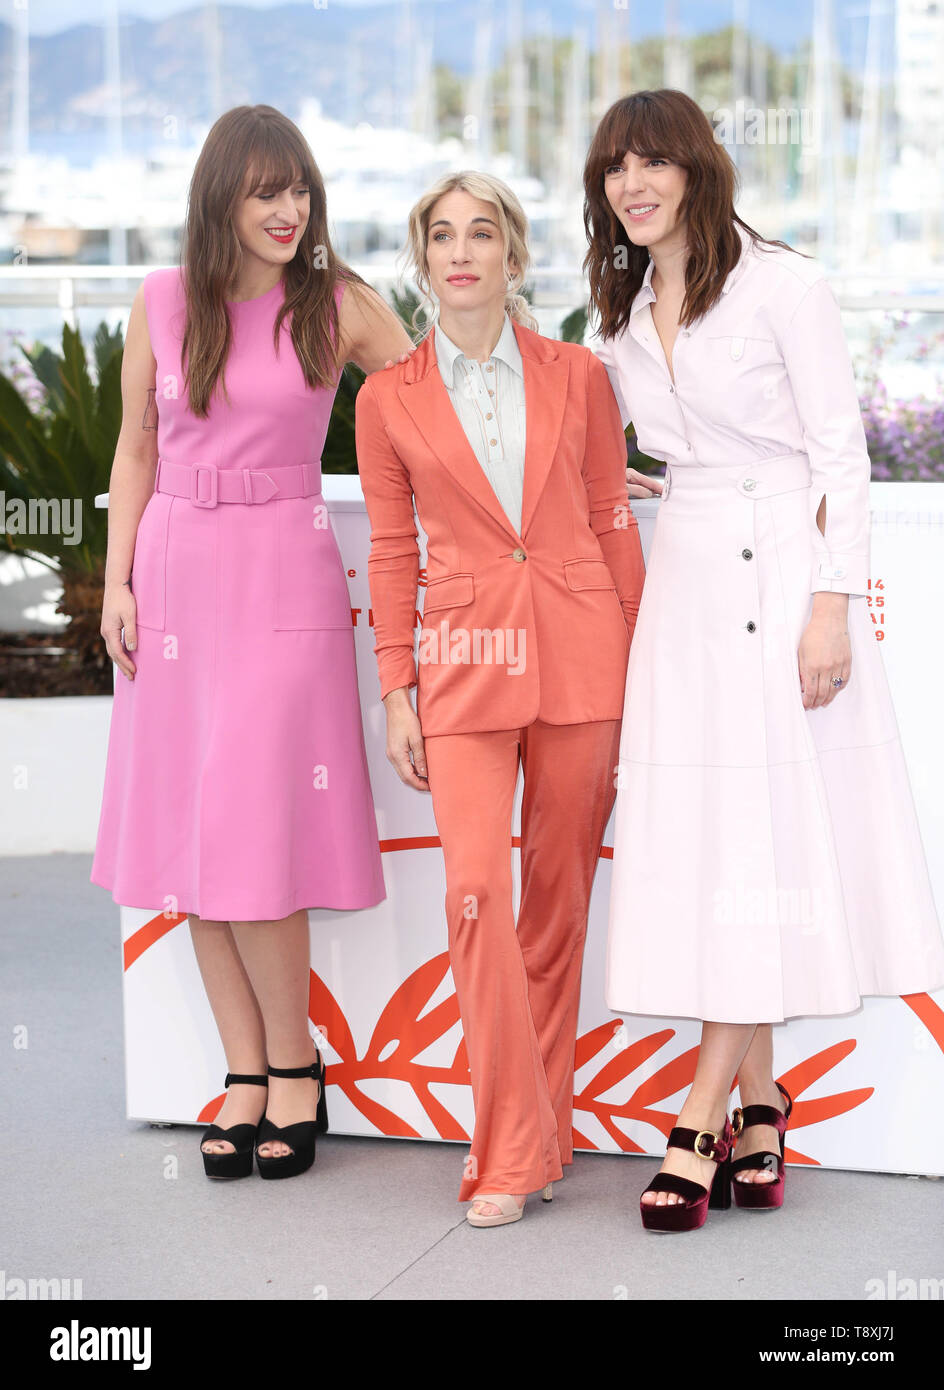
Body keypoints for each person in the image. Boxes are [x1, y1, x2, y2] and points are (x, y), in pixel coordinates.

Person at [584, 88, 944, 1232]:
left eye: (649, 162)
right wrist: (642, 480)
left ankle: (696, 1122)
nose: (630, 185)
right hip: (685, 584)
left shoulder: (785, 285)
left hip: (786, 573)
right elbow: (647, 443)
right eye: (611, 170)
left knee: (765, 836)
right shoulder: (622, 310)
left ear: (694, 167)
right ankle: (759, 1106)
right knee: (714, 844)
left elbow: (842, 454)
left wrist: (831, 604)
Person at [91, 105, 414, 1181]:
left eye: (301, 191)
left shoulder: (337, 304)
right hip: (175, 581)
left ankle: (295, 1064)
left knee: (250, 839)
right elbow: (136, 445)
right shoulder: (161, 301)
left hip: (284, 570)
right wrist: (116, 582)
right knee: (191, 844)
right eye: (265, 191)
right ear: (220, 197)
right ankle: (245, 1070)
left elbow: (437, 406)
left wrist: (589, 459)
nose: (288, 211)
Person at [355, 171, 646, 1226]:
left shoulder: (578, 375)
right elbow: (392, 554)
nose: (462, 249)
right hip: (461, 667)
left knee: (557, 906)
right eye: (441, 234)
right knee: (474, 892)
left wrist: (641, 664)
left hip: (582, 659)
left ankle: (530, 1136)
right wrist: (396, 688)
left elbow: (612, 516)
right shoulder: (384, 397)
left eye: (483, 232)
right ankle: (513, 1144)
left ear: (513, 256)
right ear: (422, 258)